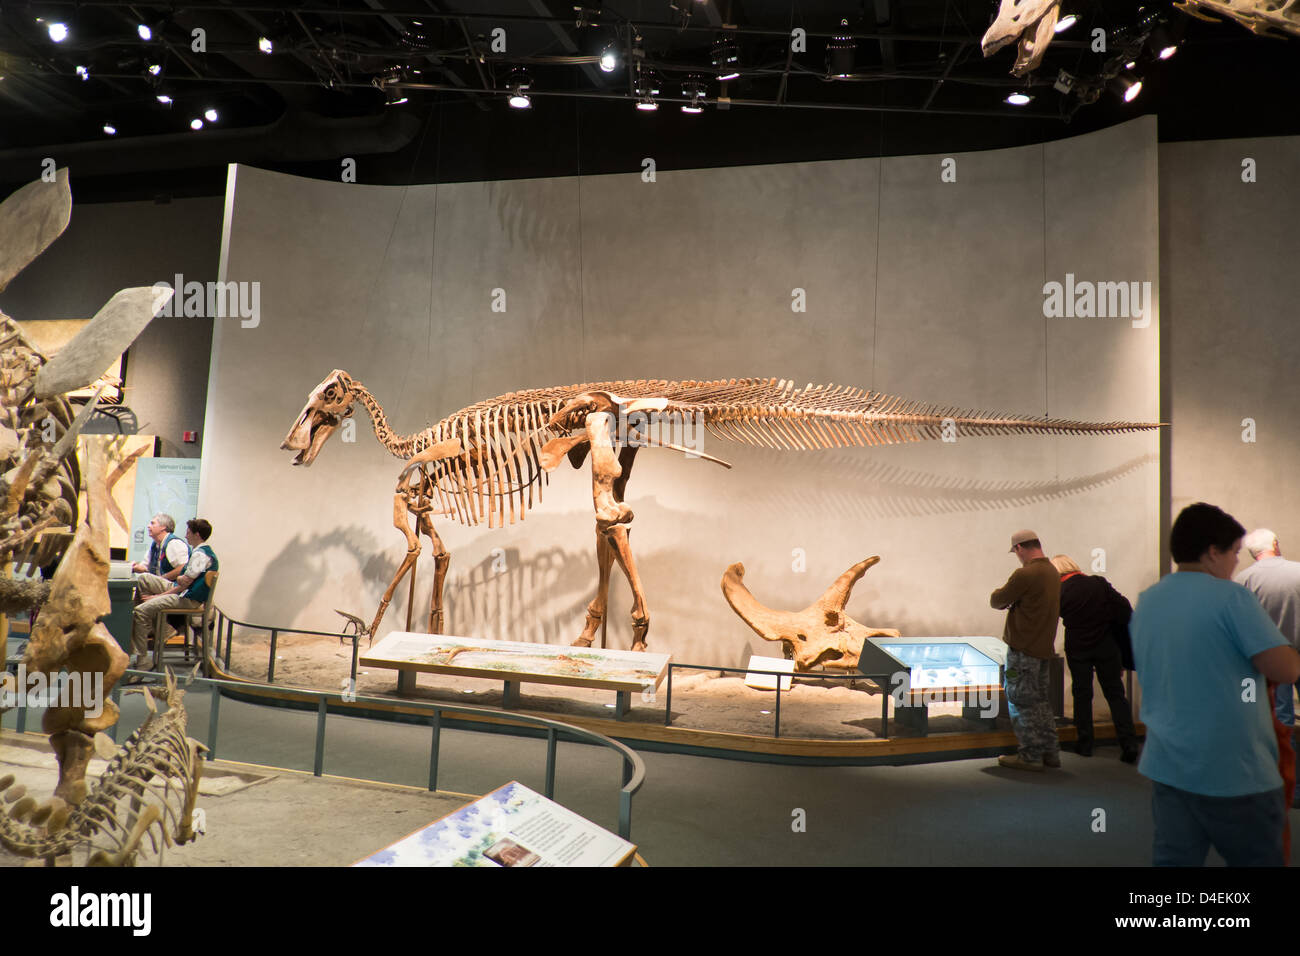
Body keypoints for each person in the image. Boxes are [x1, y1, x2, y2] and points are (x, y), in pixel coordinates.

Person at [1131, 502, 1300, 866]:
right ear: (1212, 552)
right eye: (1235, 554)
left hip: (1169, 764)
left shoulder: (1149, 601)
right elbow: (1284, 668)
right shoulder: (1231, 598)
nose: (1236, 564)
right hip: (1233, 770)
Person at [1049, 554, 1140, 762]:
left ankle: (1085, 744)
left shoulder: (1059, 591)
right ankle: (1129, 743)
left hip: (1077, 647)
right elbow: (1124, 608)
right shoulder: (1097, 583)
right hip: (1106, 645)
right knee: (1116, 694)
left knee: (1082, 695)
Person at [990, 529, 1062, 772]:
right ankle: (1050, 752)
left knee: (1019, 700)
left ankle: (1029, 755)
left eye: (1016, 552)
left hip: (1022, 652)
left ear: (1019, 548)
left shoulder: (1026, 573)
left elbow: (997, 600)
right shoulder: (1052, 571)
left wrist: (1002, 597)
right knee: (1041, 702)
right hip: (1042, 650)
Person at [129, 519, 218, 675]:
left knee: (140, 611)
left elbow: (183, 584)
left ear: (197, 534)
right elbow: (183, 582)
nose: (186, 535)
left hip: (188, 598)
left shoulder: (201, 555)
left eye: (189, 532)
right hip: (183, 591)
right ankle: (155, 630)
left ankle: (143, 660)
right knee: (144, 579)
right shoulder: (200, 552)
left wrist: (156, 597)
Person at [132, 513, 191, 599]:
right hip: (163, 583)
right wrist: (134, 567)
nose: (148, 526)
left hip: (176, 586)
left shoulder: (174, 543)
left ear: (163, 527)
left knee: (144, 579)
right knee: (141, 581)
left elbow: (183, 568)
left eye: (152, 523)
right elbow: (145, 566)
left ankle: (142, 608)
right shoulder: (155, 545)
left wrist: (162, 578)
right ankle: (140, 608)